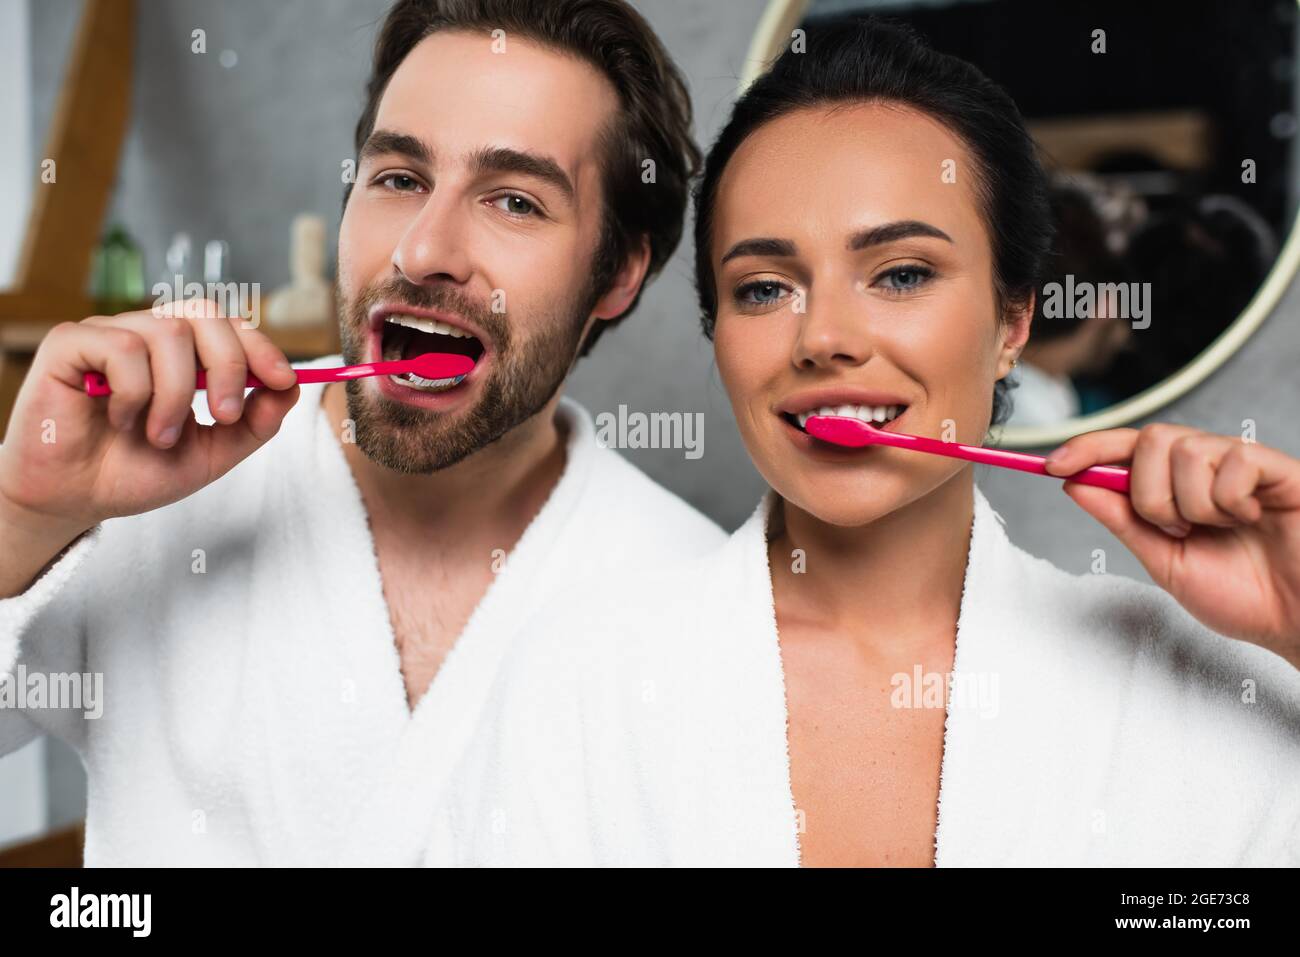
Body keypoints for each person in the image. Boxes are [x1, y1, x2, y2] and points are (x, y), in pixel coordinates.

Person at [427, 17, 1300, 867]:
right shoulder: (578, 685)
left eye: (903, 274)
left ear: (1012, 319)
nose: (825, 338)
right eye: (765, 288)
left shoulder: (1204, 681)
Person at [0, 0, 724, 866]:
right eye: (400, 178)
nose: (421, 252)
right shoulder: (146, 491)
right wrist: (21, 512)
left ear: (618, 272)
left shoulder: (696, 604)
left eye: (515, 201)